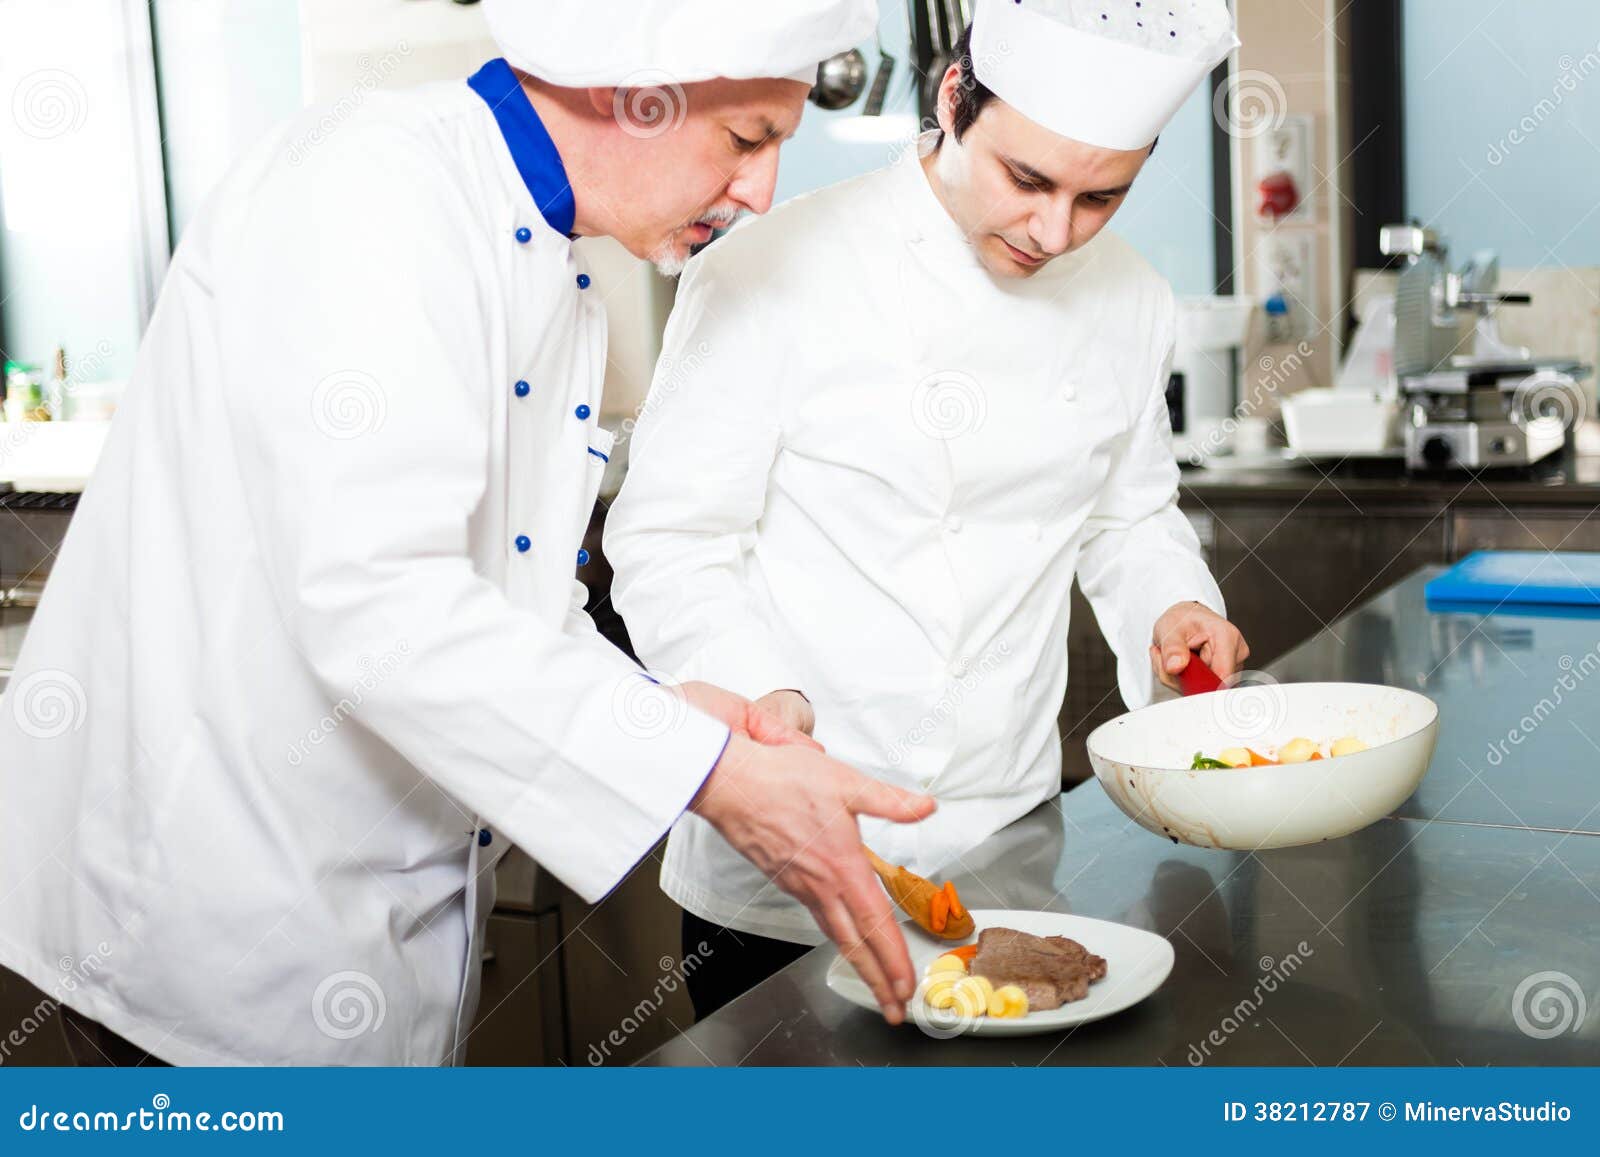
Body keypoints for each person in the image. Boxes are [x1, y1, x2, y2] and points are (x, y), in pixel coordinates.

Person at [0, 0, 935, 1066]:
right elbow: (379, 602)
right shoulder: (371, 191)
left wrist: (672, 718)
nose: (760, 192)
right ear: (623, 91)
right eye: (747, 139)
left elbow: (518, 604)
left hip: (365, 930)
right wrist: (705, 773)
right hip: (194, 943)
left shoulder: (556, 255)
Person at [605, 0, 1248, 1018]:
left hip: (1004, 841)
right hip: (783, 864)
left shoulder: (1132, 297)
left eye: (1100, 197)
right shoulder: (770, 270)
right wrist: (757, 695)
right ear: (953, 100)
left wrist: (1170, 608)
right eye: (1025, 179)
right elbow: (670, 538)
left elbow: (1128, 518)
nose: (1052, 229)